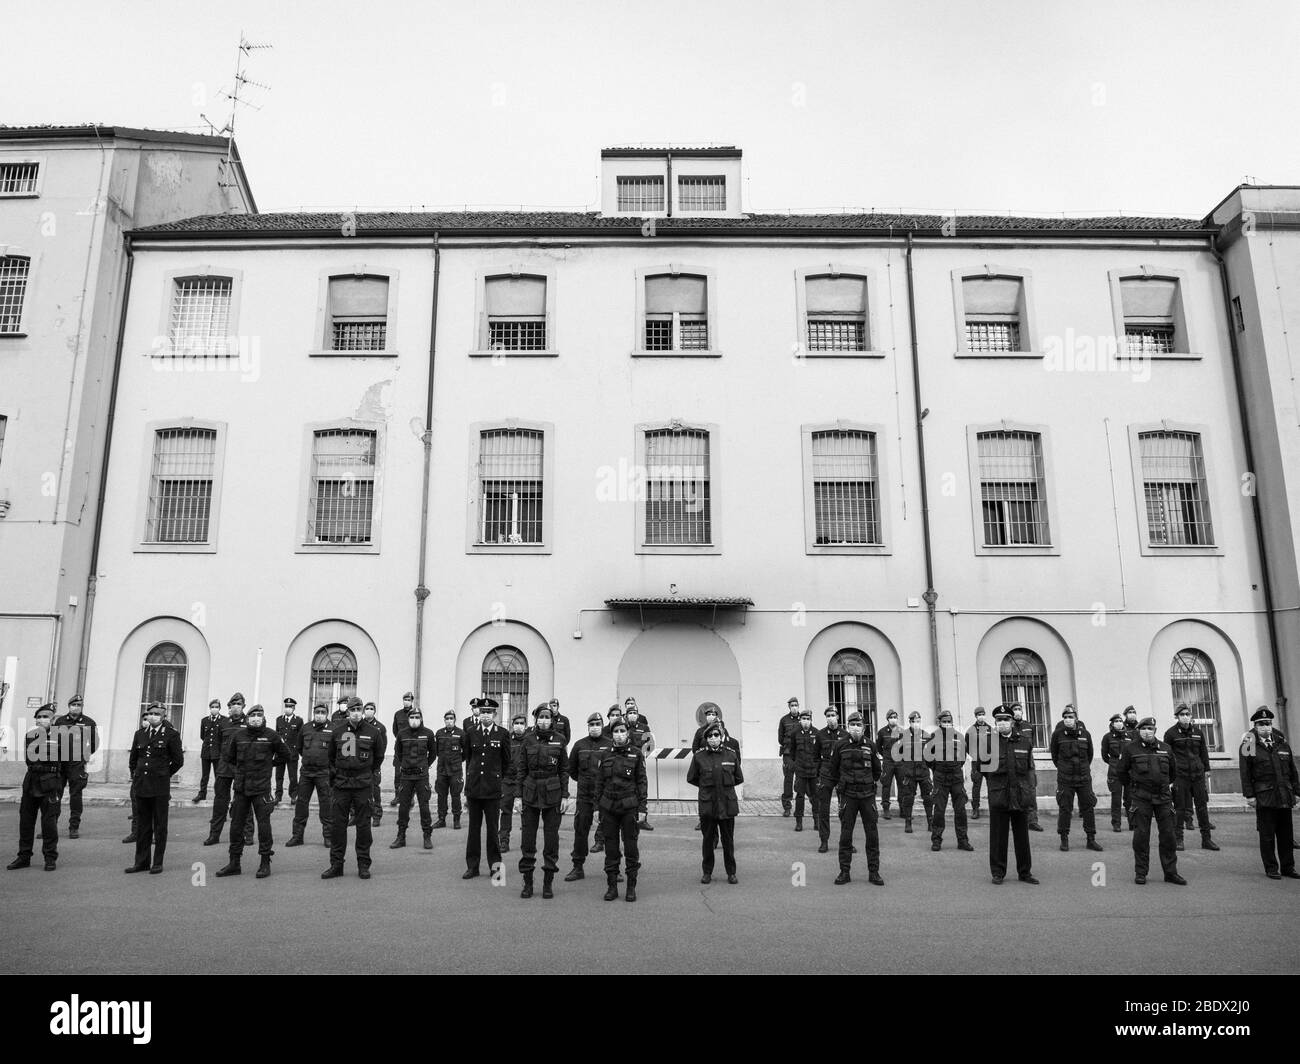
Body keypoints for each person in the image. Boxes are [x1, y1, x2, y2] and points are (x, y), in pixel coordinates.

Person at [216, 704, 290, 879]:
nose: (256, 717)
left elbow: (286, 755)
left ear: (263, 717)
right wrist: (241, 771)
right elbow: (229, 757)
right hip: (241, 788)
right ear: (247, 718)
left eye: (259, 715)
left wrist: (269, 765)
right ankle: (234, 862)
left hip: (261, 788)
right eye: (253, 715)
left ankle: (265, 862)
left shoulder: (271, 735)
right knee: (236, 826)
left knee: (264, 826)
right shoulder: (238, 735)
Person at [1117, 716, 1186, 886]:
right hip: (1141, 798)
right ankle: (1141, 872)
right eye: (1144, 729)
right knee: (1141, 837)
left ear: (1155, 731)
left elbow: (1173, 773)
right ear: (1139, 730)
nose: (1147, 732)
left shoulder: (1166, 748)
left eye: (1150, 729)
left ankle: (1170, 873)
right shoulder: (1130, 749)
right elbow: (1121, 772)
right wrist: (1134, 788)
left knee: (1169, 836)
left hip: (1163, 798)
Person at [322, 696, 384, 880]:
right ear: (347, 712)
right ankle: (336, 865)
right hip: (342, 784)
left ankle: (363, 864)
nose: (356, 713)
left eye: (359, 710)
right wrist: (336, 776)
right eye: (353, 710)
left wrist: (367, 773)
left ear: (363, 711)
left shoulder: (373, 732)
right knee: (338, 826)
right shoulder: (337, 731)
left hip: (363, 784)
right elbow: (331, 757)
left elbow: (379, 757)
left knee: (363, 826)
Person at [124, 701, 184, 875]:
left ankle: (157, 862)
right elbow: (133, 759)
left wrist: (164, 773)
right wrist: (135, 776)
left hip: (159, 787)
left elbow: (178, 760)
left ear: (164, 716)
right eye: (150, 713)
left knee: (160, 825)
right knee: (143, 826)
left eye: (157, 714)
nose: (153, 716)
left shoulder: (171, 735)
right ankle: (141, 862)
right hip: (142, 785)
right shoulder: (140, 734)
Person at [980, 704, 1038, 886]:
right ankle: (998, 872)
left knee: (1022, 836)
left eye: (1006, 719)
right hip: (999, 794)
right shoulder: (988, 743)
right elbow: (981, 768)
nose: (1002, 723)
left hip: (1020, 794)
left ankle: (1025, 872)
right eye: (999, 720)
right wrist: (995, 785)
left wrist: (1028, 792)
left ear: (1012, 721)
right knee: (998, 836)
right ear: (995, 722)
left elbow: (1029, 769)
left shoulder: (1024, 742)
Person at [7, 704, 69, 872]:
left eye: (46, 717)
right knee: (26, 821)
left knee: (49, 823)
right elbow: (29, 759)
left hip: (51, 782)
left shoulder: (61, 736)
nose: (42, 720)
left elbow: (65, 762)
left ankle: (50, 857)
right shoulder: (30, 735)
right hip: (31, 781)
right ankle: (23, 856)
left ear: (53, 719)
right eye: (39, 717)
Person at [515, 704, 568, 899]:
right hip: (530, 792)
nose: (544, 720)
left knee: (551, 839)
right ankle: (528, 883)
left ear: (552, 720)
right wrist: (518, 796)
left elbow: (564, 770)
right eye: (540, 717)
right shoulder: (527, 740)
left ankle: (548, 883)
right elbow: (521, 769)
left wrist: (565, 796)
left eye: (547, 717)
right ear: (536, 720)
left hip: (552, 793)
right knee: (527, 839)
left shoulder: (560, 740)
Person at [1239, 707, 1299, 879]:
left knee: (1286, 834)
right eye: (1262, 725)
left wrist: (1297, 791)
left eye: (1269, 724)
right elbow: (1245, 771)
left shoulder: (1280, 740)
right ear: (1256, 726)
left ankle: (1288, 867)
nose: (1266, 728)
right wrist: (1249, 796)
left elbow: (1292, 769)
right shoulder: (1249, 742)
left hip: (1284, 794)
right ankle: (1271, 867)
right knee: (1267, 836)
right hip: (1264, 795)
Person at [826, 712, 884, 886]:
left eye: (858, 725)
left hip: (867, 796)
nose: (856, 728)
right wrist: (843, 784)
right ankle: (844, 872)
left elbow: (877, 771)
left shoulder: (871, 746)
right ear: (847, 726)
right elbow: (833, 769)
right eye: (852, 724)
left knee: (872, 835)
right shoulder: (840, 745)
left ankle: (874, 873)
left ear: (864, 727)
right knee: (845, 835)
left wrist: (867, 782)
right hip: (848, 796)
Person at [595, 717, 647, 901]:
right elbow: (599, 782)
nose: (619, 735)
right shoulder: (605, 754)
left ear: (628, 733)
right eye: (616, 731)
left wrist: (642, 808)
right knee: (611, 847)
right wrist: (596, 808)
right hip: (609, 806)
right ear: (612, 734)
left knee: (631, 846)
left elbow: (641, 782)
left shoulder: (636, 754)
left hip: (629, 807)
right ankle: (612, 886)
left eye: (622, 731)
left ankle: (631, 887)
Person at [461, 697, 512, 880]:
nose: (485, 715)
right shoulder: (470, 732)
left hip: (492, 790)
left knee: (492, 830)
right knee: (473, 830)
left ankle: (496, 867)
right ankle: (472, 867)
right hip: (474, 789)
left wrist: (498, 780)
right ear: (479, 714)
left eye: (489, 712)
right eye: (483, 712)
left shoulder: (502, 734)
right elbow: (468, 759)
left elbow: (507, 761)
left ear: (495, 714)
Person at [687, 723, 743, 884]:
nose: (713, 738)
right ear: (706, 739)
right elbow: (692, 777)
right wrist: (706, 787)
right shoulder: (699, 757)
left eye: (716, 735)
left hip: (726, 805)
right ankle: (707, 872)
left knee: (728, 841)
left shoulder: (731, 755)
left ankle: (731, 873)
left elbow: (738, 777)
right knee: (707, 841)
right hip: (708, 806)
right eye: (710, 736)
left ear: (721, 736)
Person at [1164, 704, 1219, 852]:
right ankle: (1179, 839)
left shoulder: (1198, 732)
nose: (1185, 717)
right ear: (1177, 716)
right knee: (1180, 808)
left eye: (1187, 714)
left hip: (1197, 774)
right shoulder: (1170, 734)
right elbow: (1167, 756)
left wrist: (1206, 769)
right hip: (1180, 775)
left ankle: (1206, 839)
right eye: (1182, 714)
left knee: (1202, 807)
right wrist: (1170, 776)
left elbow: (1203, 752)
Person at [565, 712, 612, 881]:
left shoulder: (610, 744)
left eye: (597, 724)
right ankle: (578, 867)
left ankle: (613, 869)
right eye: (591, 725)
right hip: (585, 796)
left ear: (602, 724)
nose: (594, 728)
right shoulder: (579, 745)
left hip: (605, 797)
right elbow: (572, 770)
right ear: (588, 726)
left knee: (610, 833)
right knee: (580, 831)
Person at [1049, 705, 1103, 853]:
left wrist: (1083, 769)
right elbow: (1055, 756)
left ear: (1076, 719)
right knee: (1065, 808)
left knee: (1088, 808)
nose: (1068, 720)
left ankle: (1091, 839)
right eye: (1065, 717)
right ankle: (1064, 839)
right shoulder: (1058, 735)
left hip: (1084, 778)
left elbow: (1090, 755)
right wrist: (1064, 768)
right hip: (1065, 779)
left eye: (1070, 717)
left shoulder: (1085, 734)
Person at [204, 693, 252, 847]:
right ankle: (214, 834)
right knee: (220, 802)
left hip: (242, 767)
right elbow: (217, 744)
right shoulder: (223, 723)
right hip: (224, 767)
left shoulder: (249, 722)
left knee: (244, 801)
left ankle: (248, 834)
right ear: (229, 707)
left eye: (239, 704)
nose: (236, 707)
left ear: (243, 706)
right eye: (233, 704)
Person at [287, 703, 333, 848]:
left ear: (327, 714)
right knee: (301, 804)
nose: (320, 714)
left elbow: (336, 751)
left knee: (326, 804)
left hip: (324, 773)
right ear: (313, 713)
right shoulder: (305, 727)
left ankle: (328, 837)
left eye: (322, 712)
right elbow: (300, 747)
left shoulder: (333, 729)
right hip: (306, 772)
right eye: (317, 712)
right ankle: (297, 836)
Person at [390, 706, 436, 850]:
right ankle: (401, 836)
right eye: (412, 717)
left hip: (421, 776)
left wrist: (424, 765)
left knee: (424, 807)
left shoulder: (428, 733)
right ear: (408, 719)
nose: (414, 720)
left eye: (417, 717)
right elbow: (397, 753)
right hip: (406, 776)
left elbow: (433, 754)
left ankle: (427, 836)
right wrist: (406, 765)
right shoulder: (402, 734)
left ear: (421, 718)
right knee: (403, 807)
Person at [53, 695, 97, 839]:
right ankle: (50, 826)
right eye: (74, 705)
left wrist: (84, 755)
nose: (76, 707)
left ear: (81, 707)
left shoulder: (88, 722)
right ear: (69, 706)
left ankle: (74, 827)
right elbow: (53, 741)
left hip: (76, 764)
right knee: (55, 795)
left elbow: (95, 742)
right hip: (60, 764)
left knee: (76, 795)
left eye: (79, 705)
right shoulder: (59, 721)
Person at [930, 709, 974, 852]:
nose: (947, 724)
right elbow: (928, 758)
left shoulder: (959, 737)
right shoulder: (933, 737)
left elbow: (962, 757)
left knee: (960, 810)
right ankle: (936, 841)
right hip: (940, 779)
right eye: (944, 722)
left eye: (949, 721)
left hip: (956, 778)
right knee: (939, 811)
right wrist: (938, 768)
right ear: (940, 722)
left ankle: (963, 841)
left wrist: (954, 767)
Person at [814, 707, 846, 854]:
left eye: (833, 715)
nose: (831, 718)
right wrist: (818, 775)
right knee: (823, 809)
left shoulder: (845, 735)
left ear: (838, 717)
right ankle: (824, 841)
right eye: (828, 716)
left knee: (846, 810)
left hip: (841, 773)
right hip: (826, 773)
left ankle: (847, 842)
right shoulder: (820, 735)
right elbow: (815, 758)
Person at [783, 707, 820, 833]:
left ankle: (817, 821)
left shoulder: (817, 733)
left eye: (808, 719)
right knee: (800, 796)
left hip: (813, 771)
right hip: (801, 771)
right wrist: (797, 764)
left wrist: (816, 767)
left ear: (811, 720)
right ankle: (799, 822)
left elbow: (818, 753)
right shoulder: (795, 733)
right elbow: (792, 751)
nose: (806, 721)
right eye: (803, 719)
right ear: (800, 720)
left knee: (815, 797)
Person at [1009, 703, 1044, 830]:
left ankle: (1032, 820)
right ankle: (1016, 821)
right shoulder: (1009, 726)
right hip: (1014, 763)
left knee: (1030, 791)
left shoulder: (1028, 726)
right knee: (1014, 791)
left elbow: (1031, 744)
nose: (1017, 712)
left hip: (1028, 763)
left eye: (1019, 709)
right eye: (1015, 710)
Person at [897, 710, 933, 834]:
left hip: (923, 772)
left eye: (918, 721)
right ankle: (908, 822)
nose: (916, 724)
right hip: (909, 773)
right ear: (910, 722)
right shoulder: (903, 736)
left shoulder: (927, 736)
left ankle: (930, 822)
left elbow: (932, 754)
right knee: (908, 799)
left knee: (928, 798)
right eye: (913, 722)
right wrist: (904, 767)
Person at [623, 698, 654, 830]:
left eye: (635, 713)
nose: (632, 715)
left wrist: (643, 754)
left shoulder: (644, 727)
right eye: (630, 713)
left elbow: (650, 744)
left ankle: (643, 819)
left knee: (642, 789)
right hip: (624, 763)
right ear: (626, 715)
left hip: (639, 763)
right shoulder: (622, 728)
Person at [499, 713, 528, 853]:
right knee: (505, 810)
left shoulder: (530, 740)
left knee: (527, 812)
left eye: (522, 723)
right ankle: (504, 841)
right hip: (508, 780)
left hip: (525, 781)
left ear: (526, 725)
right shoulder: (507, 740)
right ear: (512, 725)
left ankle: (527, 842)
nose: (519, 726)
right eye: (516, 723)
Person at [1099, 713, 1132, 832]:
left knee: (1130, 798)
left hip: (1128, 772)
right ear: (1112, 724)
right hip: (1115, 772)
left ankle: (1132, 822)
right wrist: (1114, 763)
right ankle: (1116, 823)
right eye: (1116, 721)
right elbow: (1104, 755)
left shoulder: (1129, 736)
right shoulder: (1107, 737)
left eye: (1120, 721)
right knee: (1116, 799)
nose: (1119, 723)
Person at [432, 710, 465, 829]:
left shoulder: (461, 733)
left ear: (455, 720)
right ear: (444, 720)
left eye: (451, 718)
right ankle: (441, 819)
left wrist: (457, 761)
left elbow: (465, 752)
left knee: (455, 795)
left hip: (455, 770)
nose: (449, 721)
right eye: (447, 719)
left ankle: (456, 819)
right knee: (441, 795)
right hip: (442, 770)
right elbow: (436, 751)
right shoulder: (439, 733)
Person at [192, 699, 223, 802]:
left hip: (217, 752)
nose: (214, 709)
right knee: (205, 775)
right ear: (210, 708)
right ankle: (202, 793)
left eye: (216, 707)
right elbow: (203, 736)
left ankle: (219, 794)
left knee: (217, 775)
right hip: (206, 751)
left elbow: (222, 737)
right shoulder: (204, 720)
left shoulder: (224, 720)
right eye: (212, 707)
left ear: (219, 708)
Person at [362, 702, 387, 827]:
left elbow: (382, 749)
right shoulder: (359, 725)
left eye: (371, 709)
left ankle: (376, 815)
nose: (369, 711)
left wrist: (376, 765)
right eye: (367, 709)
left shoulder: (380, 728)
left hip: (374, 764)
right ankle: (356, 815)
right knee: (358, 791)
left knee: (374, 790)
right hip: (360, 764)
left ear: (374, 711)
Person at [389, 692, 416, 806]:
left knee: (411, 772)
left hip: (412, 748)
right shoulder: (398, 714)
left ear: (412, 701)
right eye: (405, 699)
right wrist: (402, 740)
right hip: (400, 747)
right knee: (398, 773)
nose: (406, 701)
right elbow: (395, 730)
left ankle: (410, 797)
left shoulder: (416, 713)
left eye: (409, 699)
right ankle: (397, 796)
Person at [875, 710, 904, 819]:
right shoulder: (882, 732)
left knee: (902, 785)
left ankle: (903, 809)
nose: (893, 719)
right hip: (888, 763)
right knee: (886, 785)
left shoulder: (901, 732)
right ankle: (886, 809)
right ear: (887, 719)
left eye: (895, 717)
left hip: (900, 762)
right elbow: (878, 748)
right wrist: (886, 756)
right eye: (891, 717)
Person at [274, 697, 303, 805]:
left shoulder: (298, 721)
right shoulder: (279, 719)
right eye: (286, 706)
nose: (288, 708)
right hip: (280, 753)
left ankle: (293, 795)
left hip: (292, 753)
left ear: (294, 708)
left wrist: (298, 751)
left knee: (293, 776)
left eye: (290, 707)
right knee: (279, 776)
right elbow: (277, 735)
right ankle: (278, 795)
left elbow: (300, 737)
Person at [777, 697, 803, 817]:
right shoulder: (784, 720)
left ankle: (799, 807)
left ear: (798, 706)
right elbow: (780, 738)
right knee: (788, 780)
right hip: (788, 754)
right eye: (792, 705)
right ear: (789, 706)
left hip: (800, 754)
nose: (794, 707)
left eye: (796, 705)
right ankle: (787, 807)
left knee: (799, 781)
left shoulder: (803, 718)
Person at [964, 707, 991, 819]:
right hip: (976, 763)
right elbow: (967, 746)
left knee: (992, 786)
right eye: (979, 714)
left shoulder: (990, 729)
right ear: (975, 716)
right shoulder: (971, 730)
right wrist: (975, 756)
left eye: (983, 714)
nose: (981, 716)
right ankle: (975, 809)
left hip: (989, 763)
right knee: (976, 787)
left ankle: (994, 809)